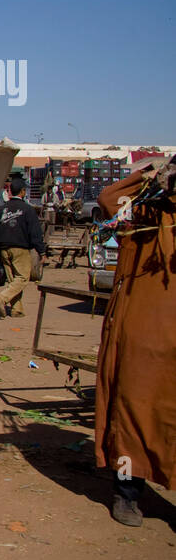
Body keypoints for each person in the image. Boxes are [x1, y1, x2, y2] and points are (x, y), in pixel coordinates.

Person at [93, 158, 175, 526]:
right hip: (142, 339)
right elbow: (109, 197)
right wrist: (147, 175)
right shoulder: (142, 213)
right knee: (133, 409)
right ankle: (127, 495)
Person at [0, 177, 46, 318]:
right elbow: (35, 232)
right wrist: (42, 251)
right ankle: (2, 298)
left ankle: (17, 310)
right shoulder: (27, 209)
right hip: (20, 248)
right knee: (22, 278)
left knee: (13, 280)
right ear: (22, 192)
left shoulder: (2, 210)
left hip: (3, 249)